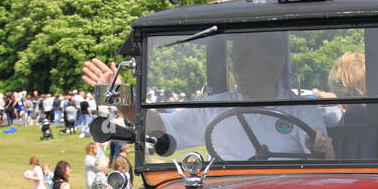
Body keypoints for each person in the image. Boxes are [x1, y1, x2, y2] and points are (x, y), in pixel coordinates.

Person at [83, 33, 335, 161]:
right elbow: (158, 127)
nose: (237, 66)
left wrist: (322, 147)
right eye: (234, 58)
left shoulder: (302, 110)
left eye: (247, 58)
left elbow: (323, 156)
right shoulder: (216, 106)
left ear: (274, 63)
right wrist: (118, 98)